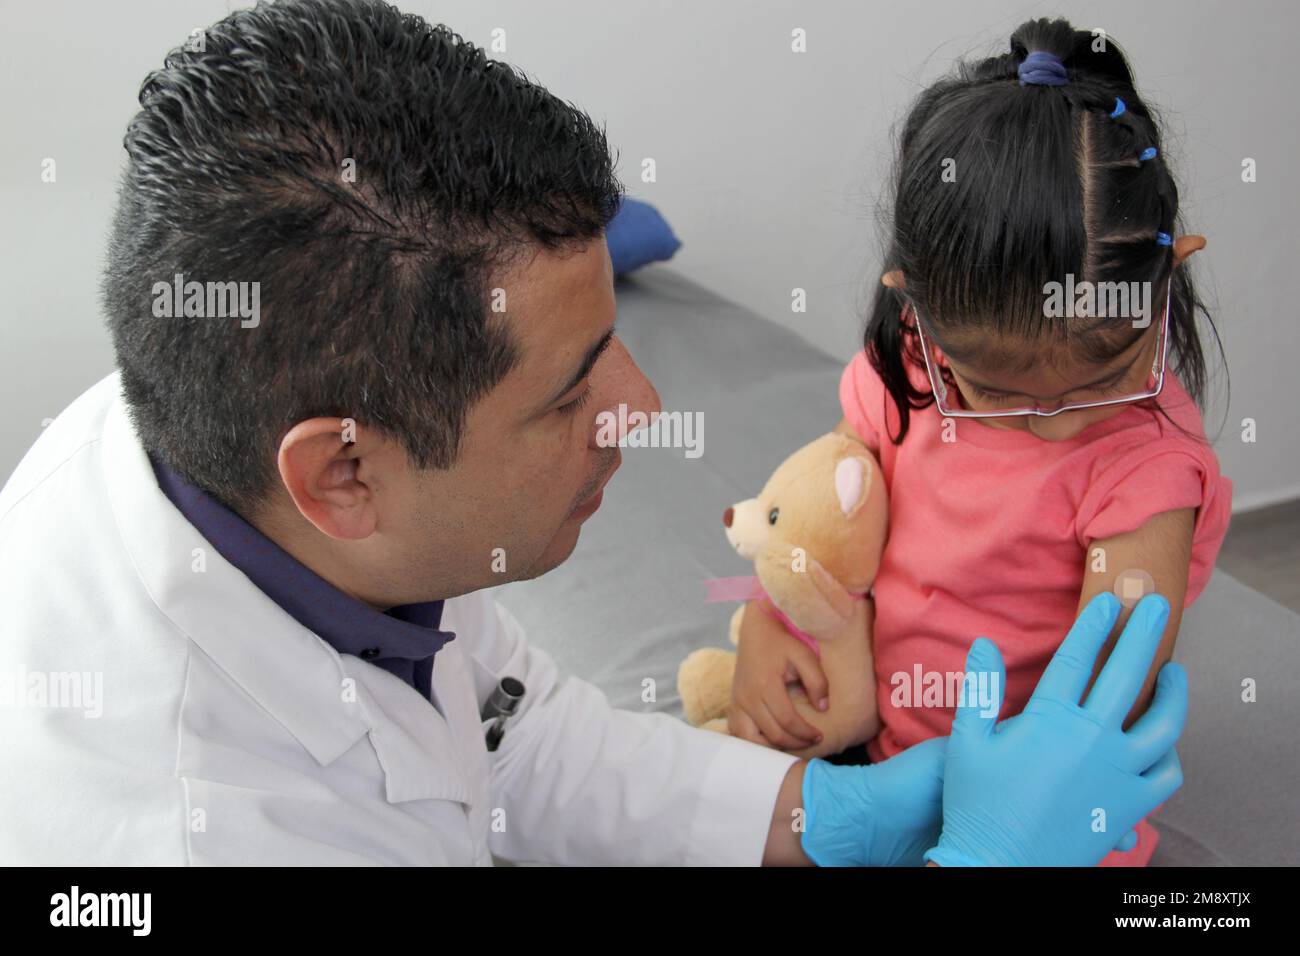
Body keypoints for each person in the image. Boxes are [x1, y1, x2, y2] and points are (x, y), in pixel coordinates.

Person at [0, 0, 1185, 866]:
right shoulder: (195, 829)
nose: (644, 409)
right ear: (343, 471)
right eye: (571, 392)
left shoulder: (223, 431)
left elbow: (512, 735)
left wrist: (826, 818)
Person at [729, 16, 1227, 866]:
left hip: (1051, 822)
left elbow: (1100, 706)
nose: (1054, 420)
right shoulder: (910, 373)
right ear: (912, 307)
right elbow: (839, 519)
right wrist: (778, 622)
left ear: (1164, 280)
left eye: (1102, 378)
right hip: (886, 766)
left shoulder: (1145, 472)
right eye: (994, 389)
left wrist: (1002, 833)